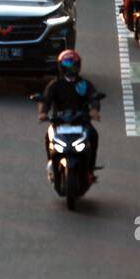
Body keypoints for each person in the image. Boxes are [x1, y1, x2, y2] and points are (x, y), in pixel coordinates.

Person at [37, 49, 103, 182]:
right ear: (61, 66)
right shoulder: (55, 84)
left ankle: (90, 170)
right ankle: (51, 163)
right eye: (67, 64)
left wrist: (94, 110)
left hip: (81, 121)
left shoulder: (85, 84)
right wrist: (43, 113)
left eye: (73, 64)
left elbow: (94, 98)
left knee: (94, 135)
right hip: (60, 122)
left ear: (78, 65)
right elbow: (46, 100)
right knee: (47, 136)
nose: (70, 67)